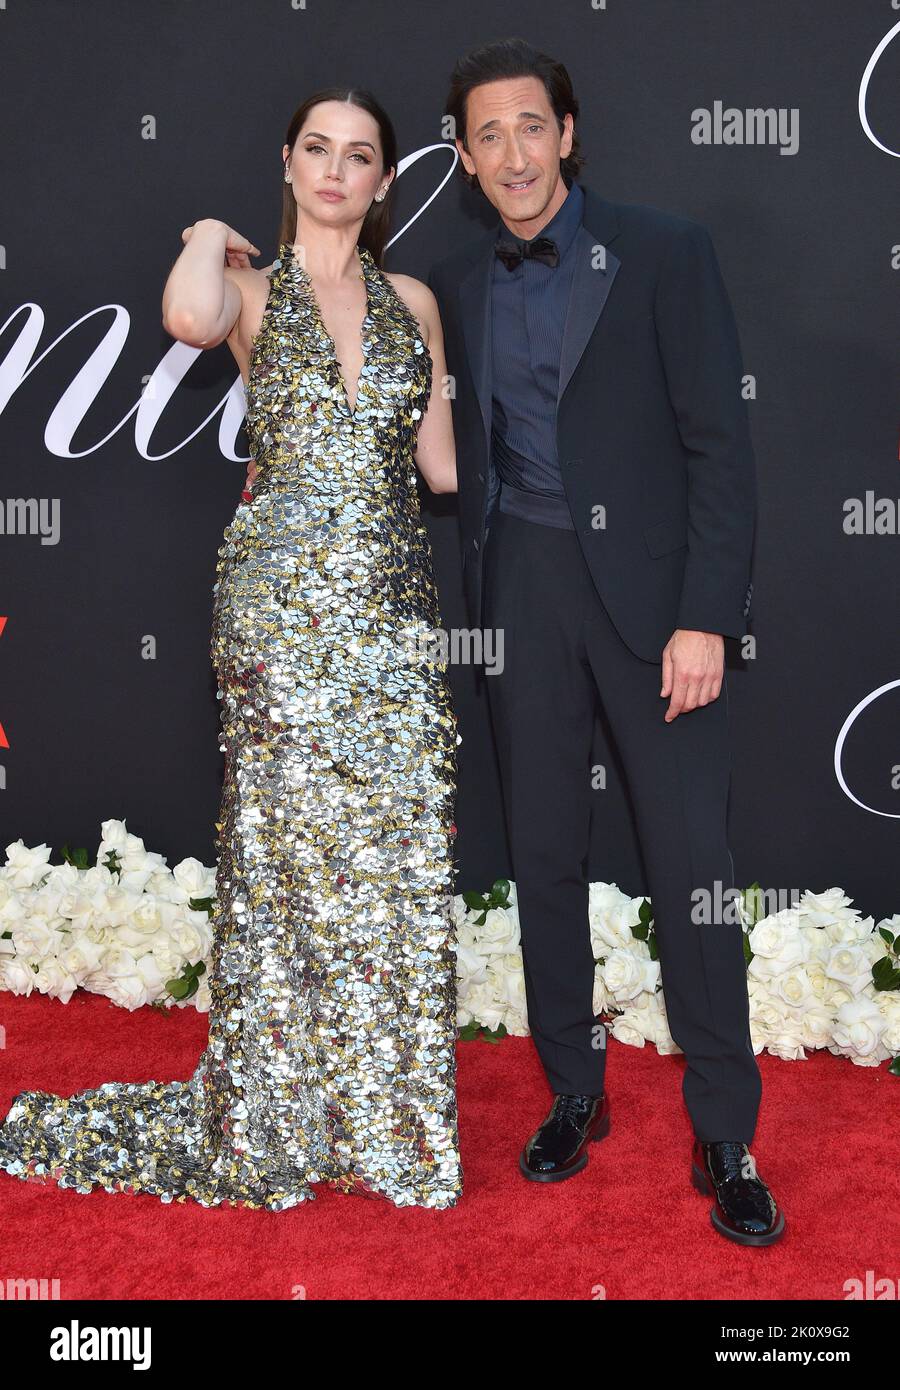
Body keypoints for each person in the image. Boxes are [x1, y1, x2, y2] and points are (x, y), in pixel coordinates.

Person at [0, 88, 463, 1211]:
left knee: (395, 858)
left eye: (361, 157)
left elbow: (442, 464)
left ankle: (389, 1120)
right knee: (290, 856)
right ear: (291, 165)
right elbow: (185, 320)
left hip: (394, 610)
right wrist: (210, 234)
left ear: (386, 180)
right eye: (318, 151)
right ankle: (274, 1112)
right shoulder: (252, 290)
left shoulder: (416, 298)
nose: (338, 172)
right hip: (277, 611)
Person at [426, 37, 784, 1245]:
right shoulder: (459, 287)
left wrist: (706, 614)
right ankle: (574, 1091)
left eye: (532, 126)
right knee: (543, 854)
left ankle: (724, 1129)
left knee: (693, 862)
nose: (513, 153)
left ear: (567, 134)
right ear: (466, 158)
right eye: (488, 135)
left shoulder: (667, 252)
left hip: (655, 601)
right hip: (520, 586)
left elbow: (718, 452)